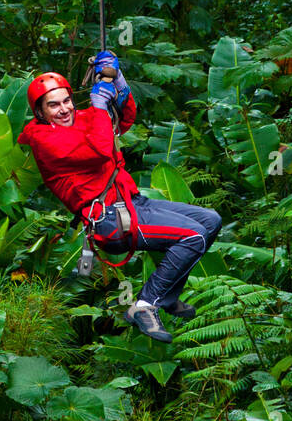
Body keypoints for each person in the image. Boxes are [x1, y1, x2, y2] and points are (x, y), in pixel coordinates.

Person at [18, 52, 222, 344]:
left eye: (67, 101)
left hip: (129, 202)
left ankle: (165, 298)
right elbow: (101, 148)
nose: (64, 109)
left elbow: (121, 120)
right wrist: (99, 107)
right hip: (109, 220)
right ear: (40, 112)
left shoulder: (82, 118)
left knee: (210, 220)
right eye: (54, 105)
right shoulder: (45, 140)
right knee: (194, 236)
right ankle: (145, 305)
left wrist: (119, 85)